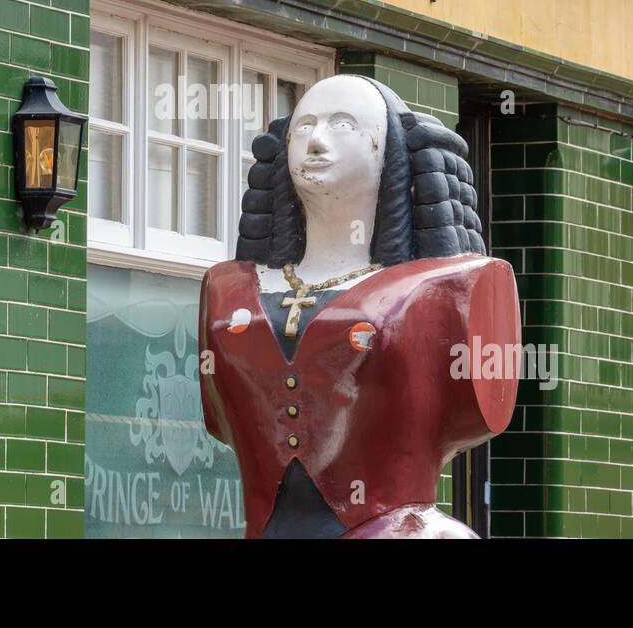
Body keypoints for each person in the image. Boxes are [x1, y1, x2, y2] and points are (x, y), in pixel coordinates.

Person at [198, 74, 521, 538]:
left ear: (386, 147)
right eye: (304, 126)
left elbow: (481, 412)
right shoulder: (224, 290)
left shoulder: (466, 283)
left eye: (343, 124)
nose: (316, 141)